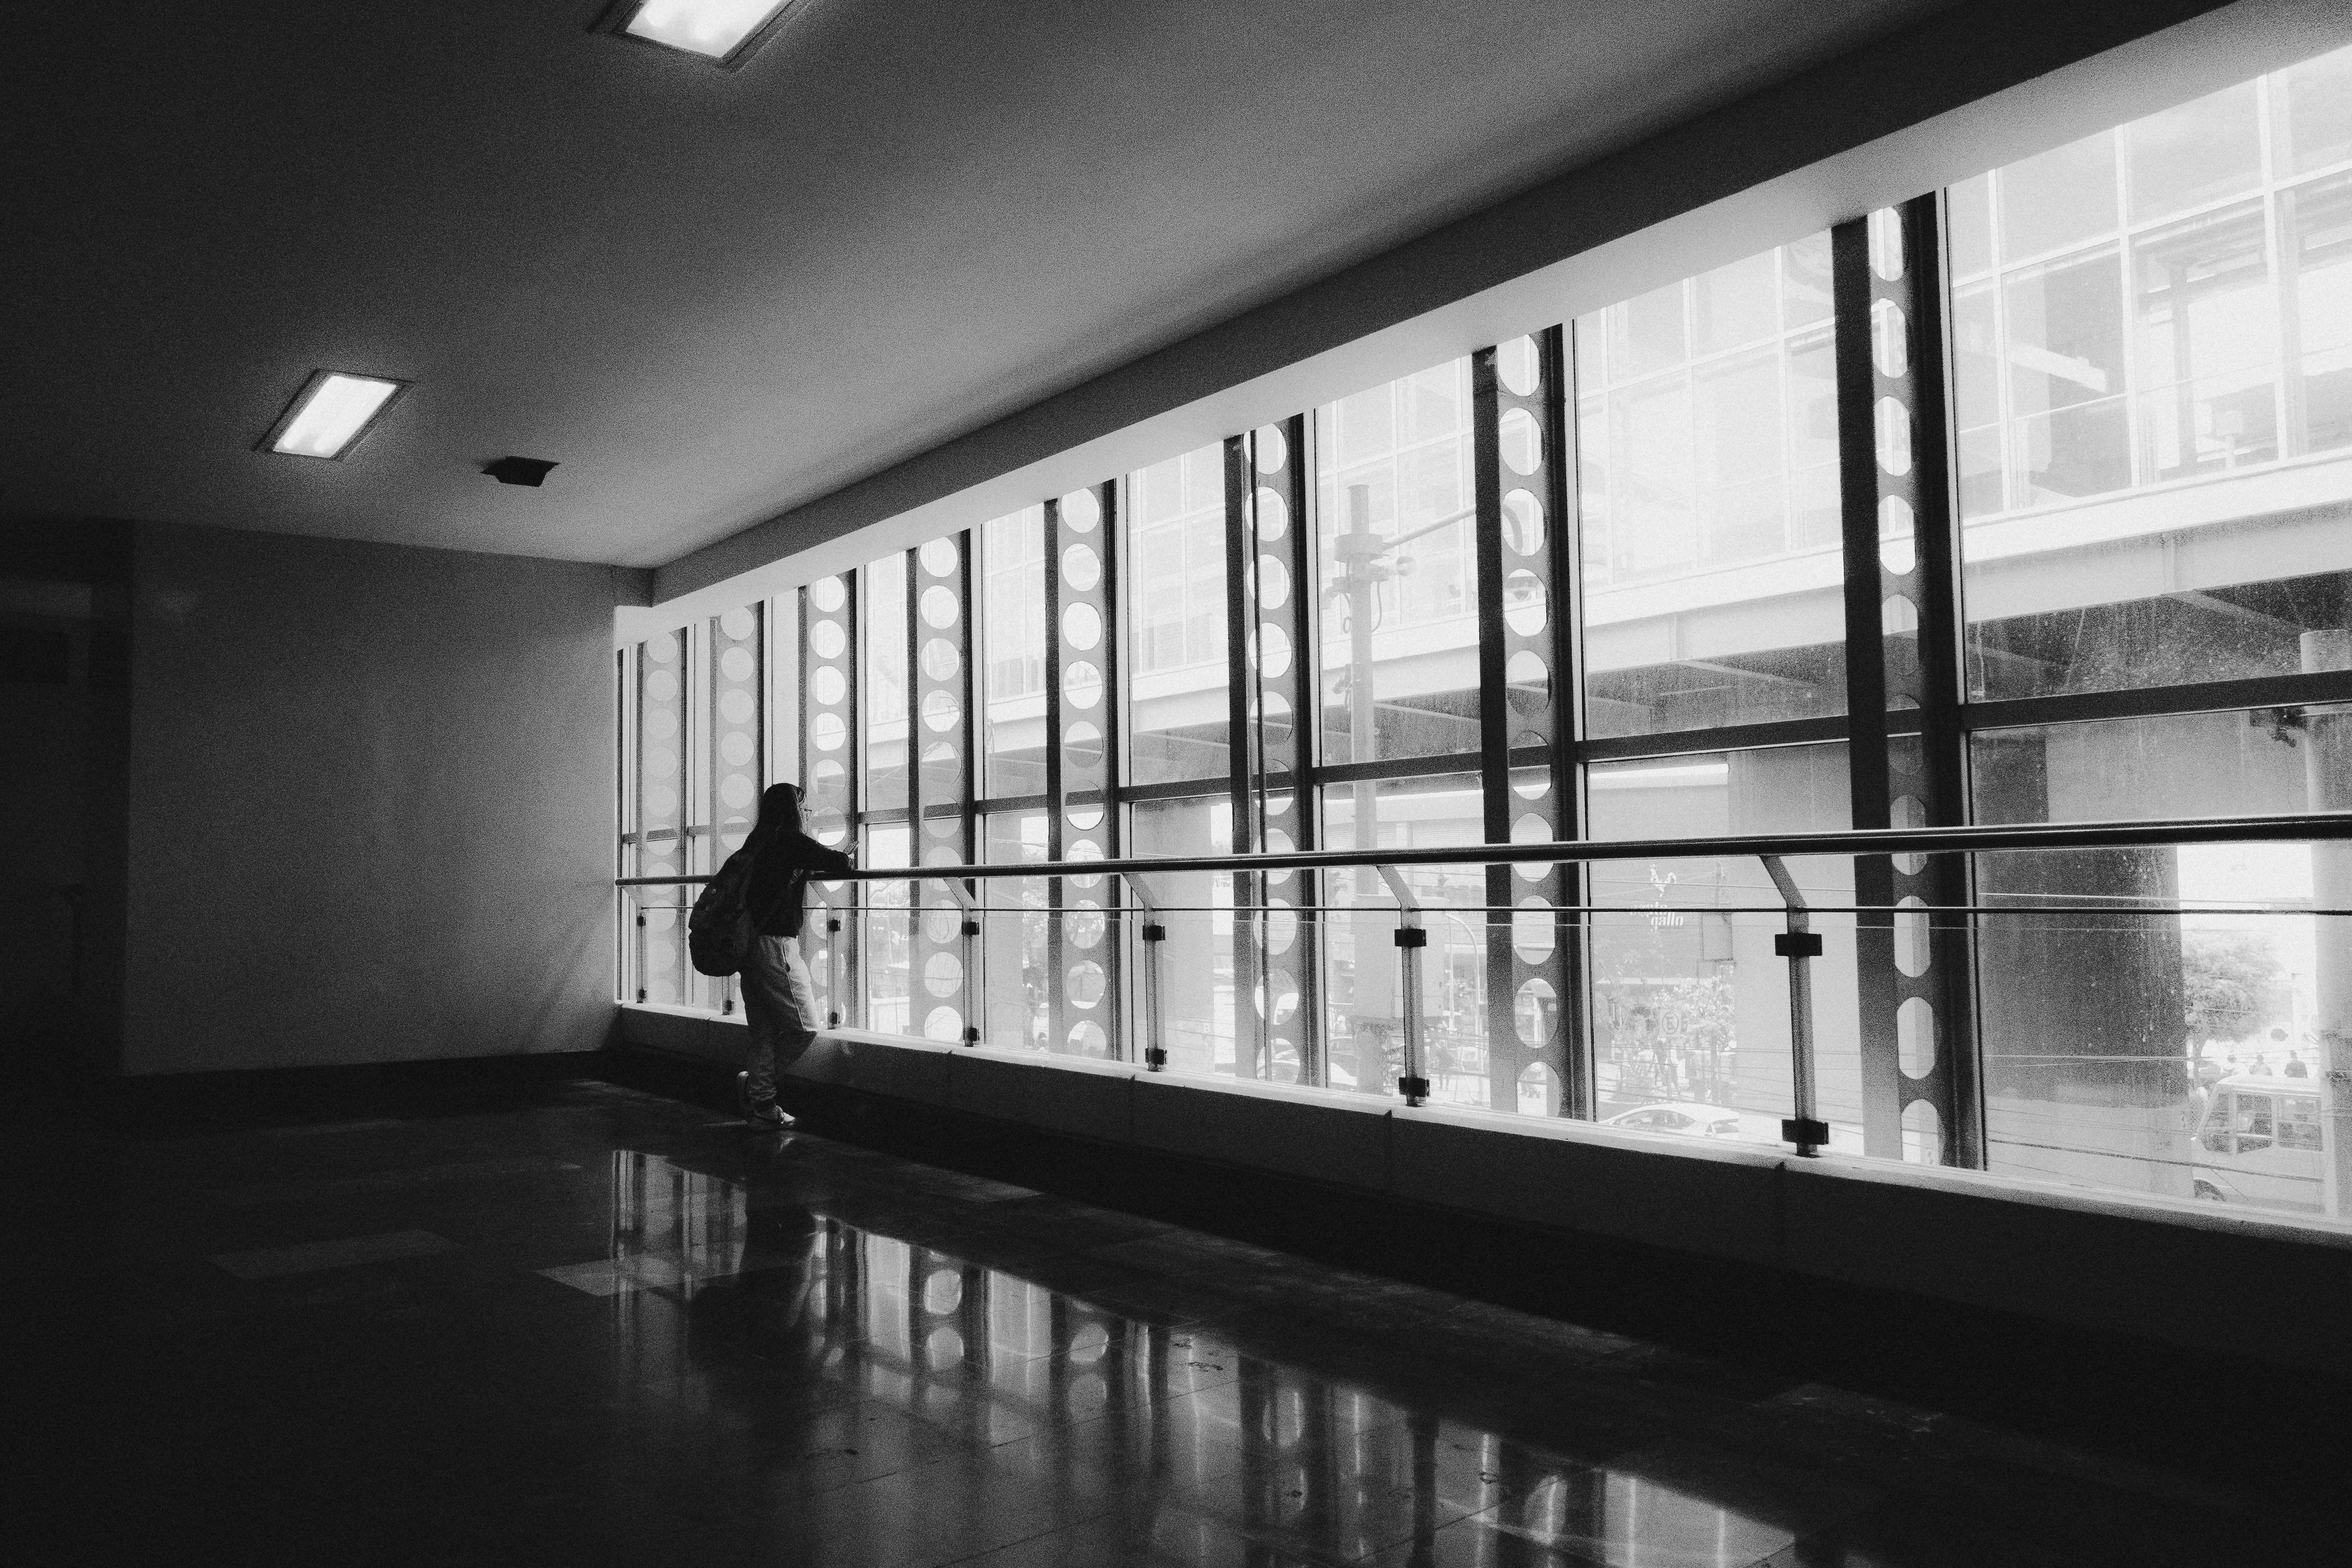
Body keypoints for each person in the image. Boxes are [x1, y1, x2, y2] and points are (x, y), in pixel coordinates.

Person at [734, 782, 854, 1128]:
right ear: (793, 809)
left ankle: (762, 1103)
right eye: (804, 807)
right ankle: (760, 1089)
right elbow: (835, 861)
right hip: (776, 945)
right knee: (804, 1026)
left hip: (748, 943)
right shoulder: (789, 840)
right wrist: (847, 856)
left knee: (762, 1031)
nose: (807, 813)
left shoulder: (757, 841)